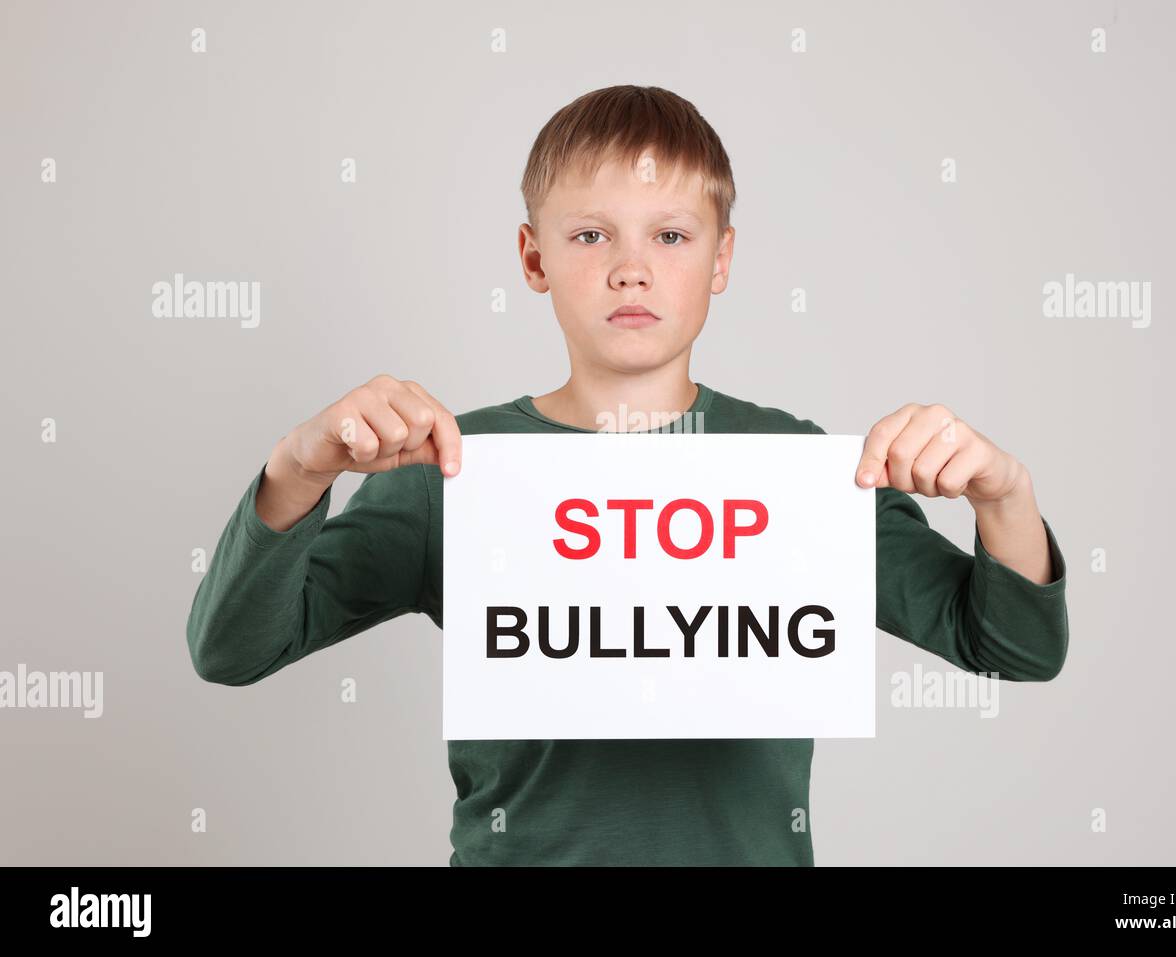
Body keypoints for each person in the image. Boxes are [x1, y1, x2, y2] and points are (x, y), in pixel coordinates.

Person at [186, 84, 1068, 866]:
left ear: (721, 259)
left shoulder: (798, 474)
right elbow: (232, 648)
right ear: (534, 258)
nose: (631, 266)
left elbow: (1015, 648)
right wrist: (299, 467)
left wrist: (1003, 495)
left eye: (672, 234)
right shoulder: (451, 472)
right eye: (590, 233)